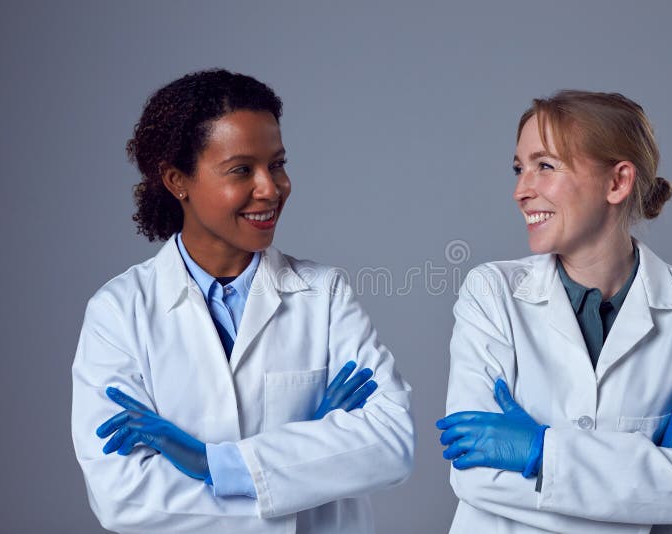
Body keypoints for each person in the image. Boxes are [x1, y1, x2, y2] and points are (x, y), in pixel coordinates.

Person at [71, 68, 414, 534]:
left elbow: (392, 444)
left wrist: (211, 463)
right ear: (177, 181)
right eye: (241, 170)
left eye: (277, 164)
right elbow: (123, 498)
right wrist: (303, 457)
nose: (271, 188)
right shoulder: (119, 312)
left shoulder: (325, 294)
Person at [437, 90, 672, 533]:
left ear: (617, 182)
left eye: (544, 166)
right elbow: (475, 477)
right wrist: (655, 465)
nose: (520, 191)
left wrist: (540, 452)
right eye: (518, 168)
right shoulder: (492, 293)